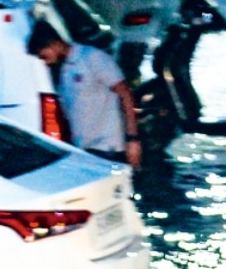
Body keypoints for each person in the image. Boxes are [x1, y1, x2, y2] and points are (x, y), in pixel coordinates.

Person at [26, 21, 141, 168]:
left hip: (108, 148)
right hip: (85, 149)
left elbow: (125, 95)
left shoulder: (92, 58)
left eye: (44, 56)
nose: (45, 62)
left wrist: (133, 138)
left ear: (55, 44)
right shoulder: (64, 69)